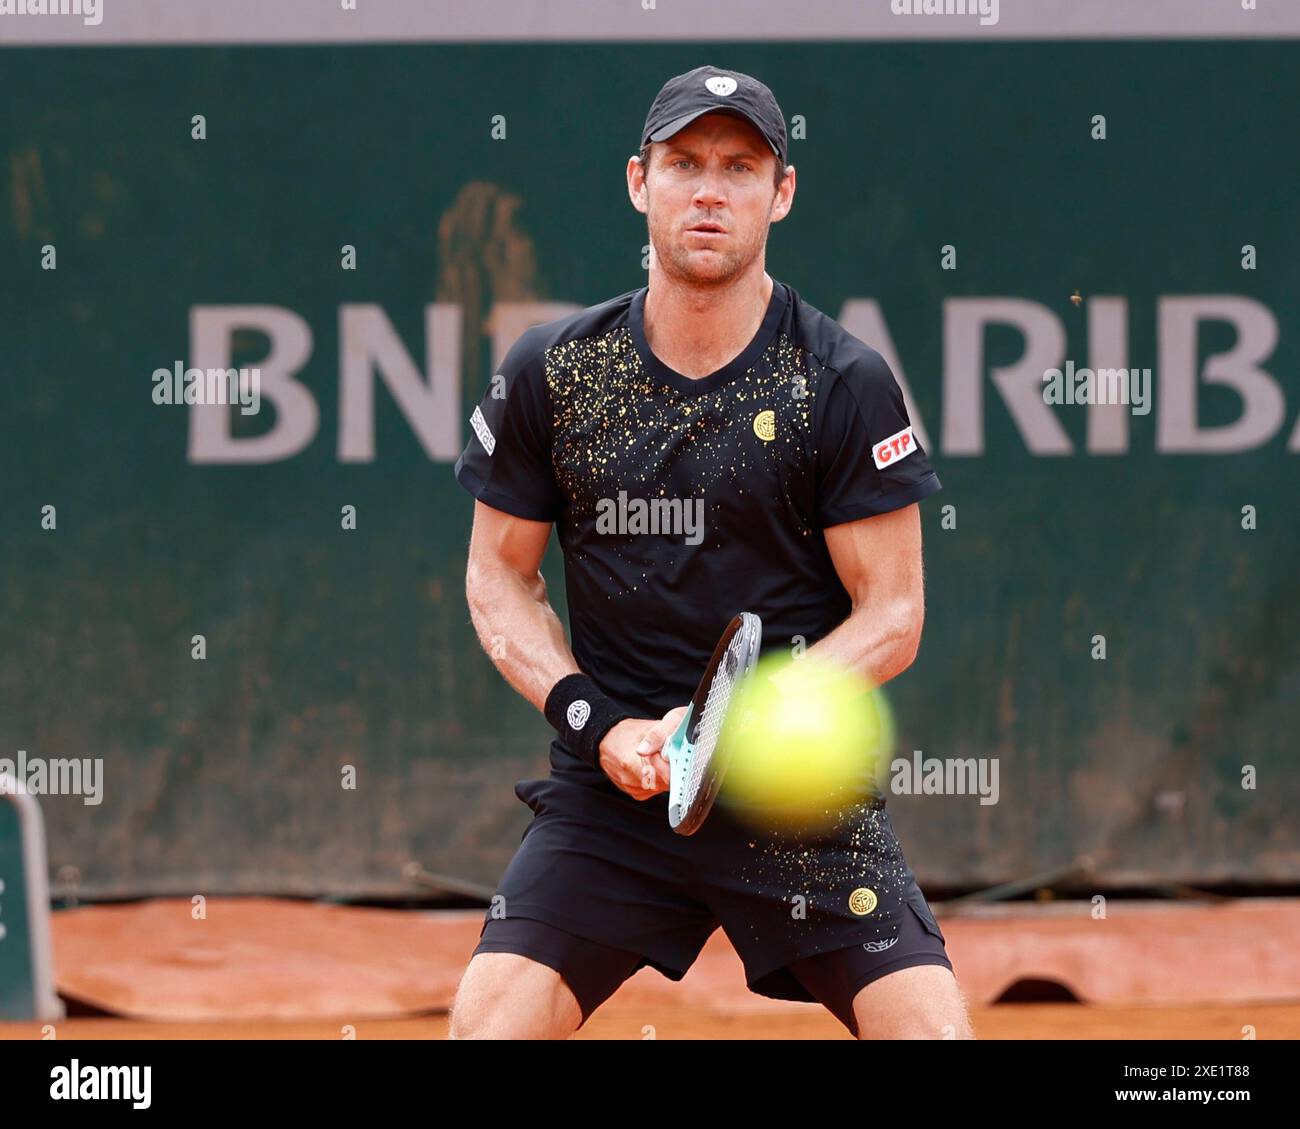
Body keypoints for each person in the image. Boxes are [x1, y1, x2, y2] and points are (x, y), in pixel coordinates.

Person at [449, 64, 972, 1040]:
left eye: (739, 167)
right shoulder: (554, 373)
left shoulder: (841, 381)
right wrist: (596, 723)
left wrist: (753, 713)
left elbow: (893, 616)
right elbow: (496, 576)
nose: (708, 189)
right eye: (684, 162)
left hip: (798, 808)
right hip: (611, 805)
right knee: (485, 1031)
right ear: (637, 181)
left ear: (780, 193)